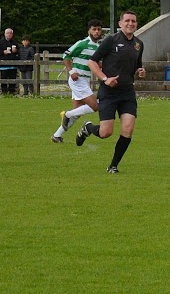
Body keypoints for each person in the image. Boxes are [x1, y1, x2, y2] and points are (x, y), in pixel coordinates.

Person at [75, 10, 148, 174]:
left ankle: (113, 166)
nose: (130, 24)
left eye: (133, 21)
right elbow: (92, 62)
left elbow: (137, 66)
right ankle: (88, 128)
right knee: (106, 132)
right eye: (127, 21)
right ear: (120, 24)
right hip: (109, 91)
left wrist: (140, 71)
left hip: (127, 92)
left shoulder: (138, 44)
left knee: (128, 130)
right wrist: (104, 78)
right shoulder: (110, 40)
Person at [53, 20, 105, 142]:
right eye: (94, 29)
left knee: (77, 114)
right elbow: (66, 56)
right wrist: (71, 72)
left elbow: (96, 63)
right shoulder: (82, 43)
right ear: (89, 31)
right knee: (95, 106)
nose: (96, 32)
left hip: (85, 81)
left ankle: (57, 135)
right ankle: (67, 114)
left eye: (99, 29)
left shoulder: (98, 47)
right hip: (78, 79)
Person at [0, 28, 19, 94]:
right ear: (5, 34)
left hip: (13, 65)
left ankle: (12, 93)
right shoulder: (1, 42)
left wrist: (15, 51)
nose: (9, 34)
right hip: (3, 65)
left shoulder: (15, 42)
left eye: (10, 33)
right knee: (3, 80)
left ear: (12, 34)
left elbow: (19, 52)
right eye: (7, 33)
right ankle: (4, 93)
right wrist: (3, 52)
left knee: (12, 80)